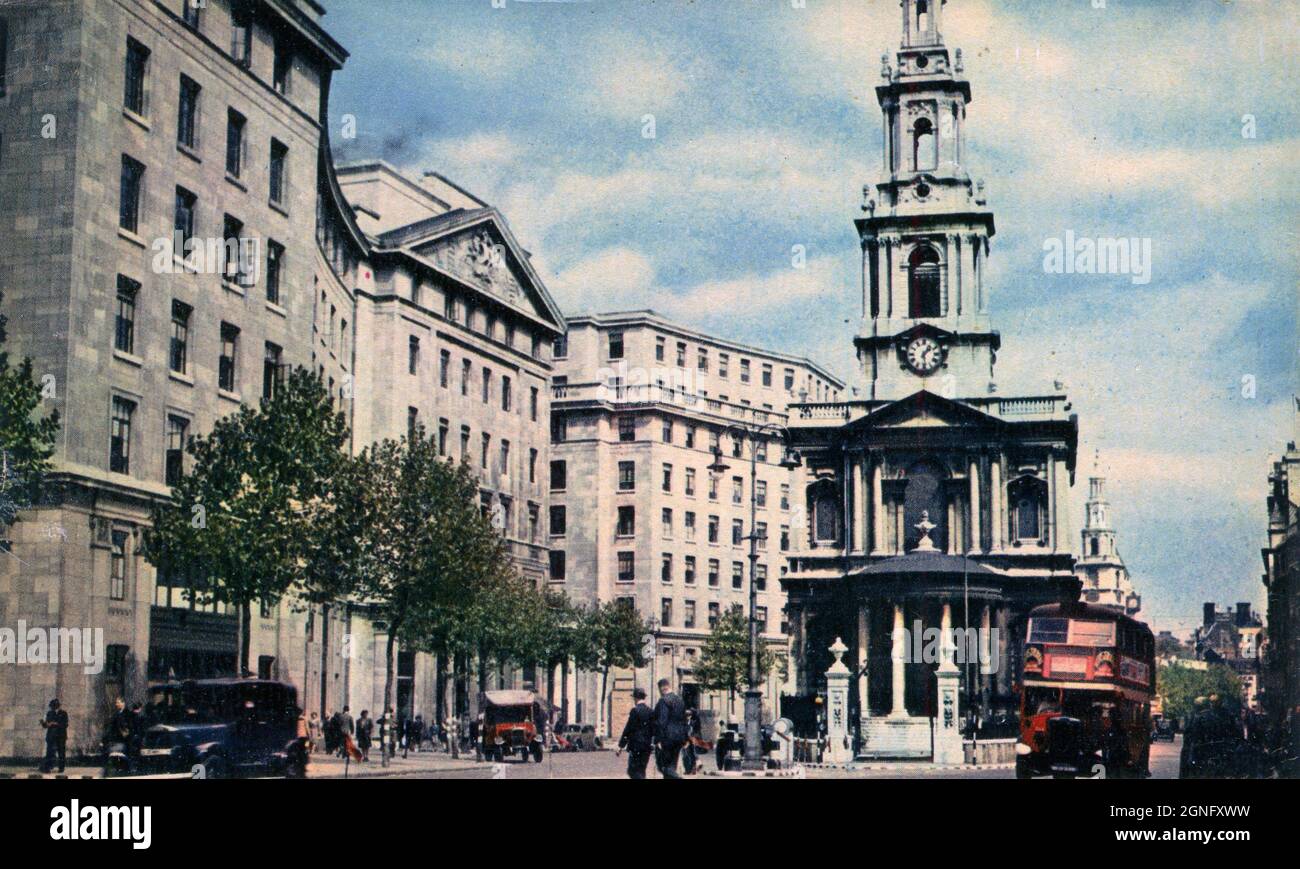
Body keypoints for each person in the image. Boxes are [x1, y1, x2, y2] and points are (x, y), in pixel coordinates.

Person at [652, 678, 688, 779]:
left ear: (662, 688)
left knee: (664, 767)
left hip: (667, 738)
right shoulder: (680, 700)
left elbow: (661, 721)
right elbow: (684, 721)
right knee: (672, 765)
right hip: (679, 737)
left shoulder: (663, 701)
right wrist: (685, 738)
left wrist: (658, 739)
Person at [616, 688, 655, 779]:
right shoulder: (651, 711)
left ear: (636, 698)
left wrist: (621, 745)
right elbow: (654, 729)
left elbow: (629, 729)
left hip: (635, 746)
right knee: (642, 769)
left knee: (632, 770)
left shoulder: (635, 711)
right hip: (646, 746)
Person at [40, 699, 69, 773]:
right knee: (49, 752)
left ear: (57, 706)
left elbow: (65, 724)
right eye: (52, 706)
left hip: (61, 736)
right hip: (51, 736)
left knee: (61, 752)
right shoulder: (49, 713)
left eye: (54, 706)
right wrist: (44, 723)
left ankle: (61, 768)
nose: (53, 708)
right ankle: (48, 767)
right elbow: (46, 725)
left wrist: (55, 723)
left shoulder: (63, 713)